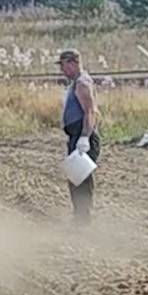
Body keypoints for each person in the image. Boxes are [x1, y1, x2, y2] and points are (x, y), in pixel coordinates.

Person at [58, 49, 98, 224]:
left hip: (82, 137)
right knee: (76, 178)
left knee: (80, 179)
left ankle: (83, 218)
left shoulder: (82, 83)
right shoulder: (76, 83)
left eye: (63, 65)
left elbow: (90, 112)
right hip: (75, 136)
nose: (62, 70)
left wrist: (84, 137)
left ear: (73, 62)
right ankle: (79, 216)